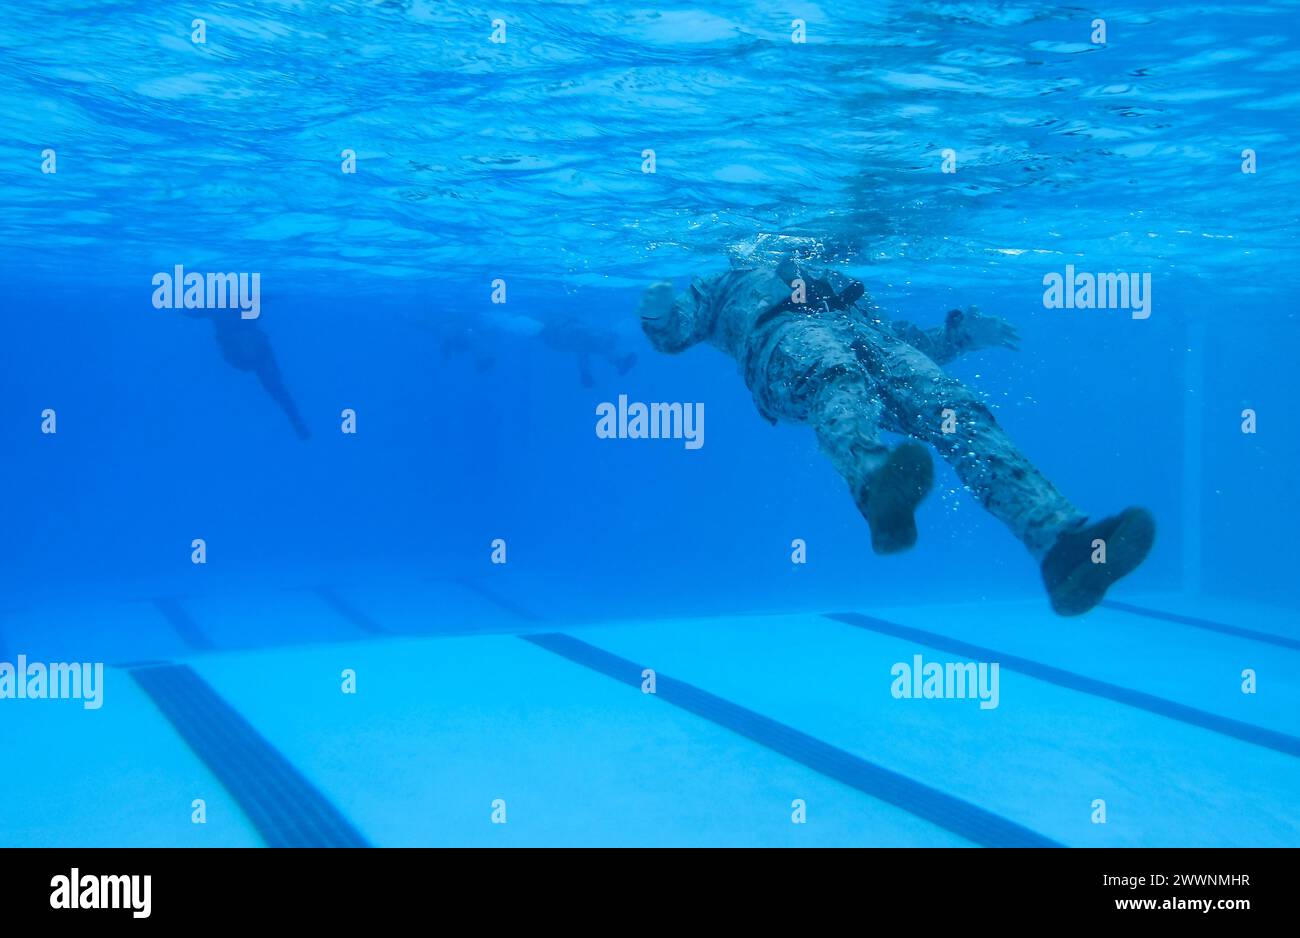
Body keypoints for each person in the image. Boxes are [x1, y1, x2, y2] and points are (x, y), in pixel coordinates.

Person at [637, 258, 1154, 616]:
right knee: (835, 378)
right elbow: (676, 331)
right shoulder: (729, 279)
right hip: (781, 343)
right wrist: (657, 311)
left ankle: (1061, 545)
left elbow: (905, 340)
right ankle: (877, 483)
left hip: (865, 337)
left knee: (954, 408)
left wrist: (960, 337)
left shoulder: (834, 275)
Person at [186, 311, 311, 440]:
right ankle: (297, 421)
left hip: (252, 353)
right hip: (250, 353)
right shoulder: (222, 313)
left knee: (275, 385)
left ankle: (297, 421)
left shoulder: (254, 356)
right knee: (274, 385)